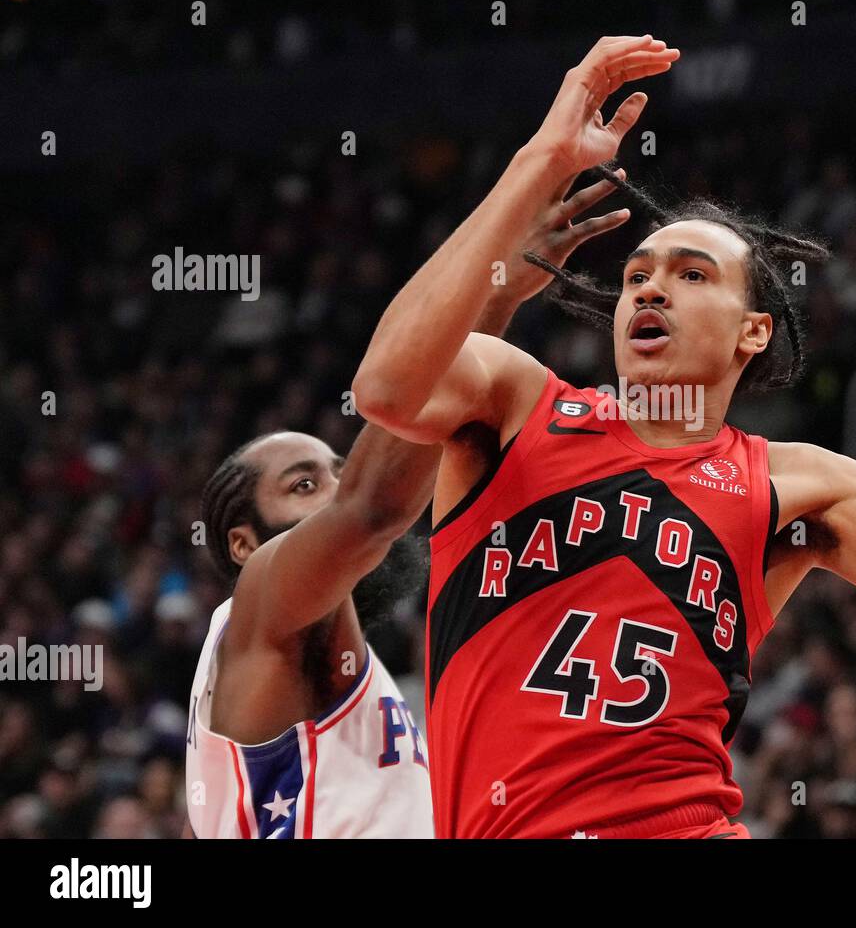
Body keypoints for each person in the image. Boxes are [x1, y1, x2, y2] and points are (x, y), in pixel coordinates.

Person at [352, 35, 856, 838]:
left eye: (690, 274)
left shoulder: (797, 487)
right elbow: (385, 388)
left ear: (753, 330)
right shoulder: (513, 401)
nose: (649, 290)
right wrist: (543, 156)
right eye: (637, 275)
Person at [183, 172, 626, 838]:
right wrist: (497, 255)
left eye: (336, 473)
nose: (334, 490)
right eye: (304, 486)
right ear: (243, 544)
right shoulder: (264, 598)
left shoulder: (300, 659)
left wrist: (501, 293)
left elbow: (413, 430)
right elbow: (373, 505)